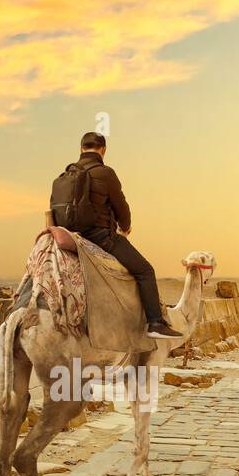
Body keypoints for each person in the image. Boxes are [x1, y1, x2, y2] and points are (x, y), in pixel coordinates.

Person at [62, 132, 181, 338]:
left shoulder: (65, 175)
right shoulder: (105, 173)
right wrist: (125, 228)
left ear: (81, 149)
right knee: (145, 271)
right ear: (103, 150)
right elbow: (121, 206)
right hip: (100, 238)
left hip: (71, 237)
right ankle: (154, 323)